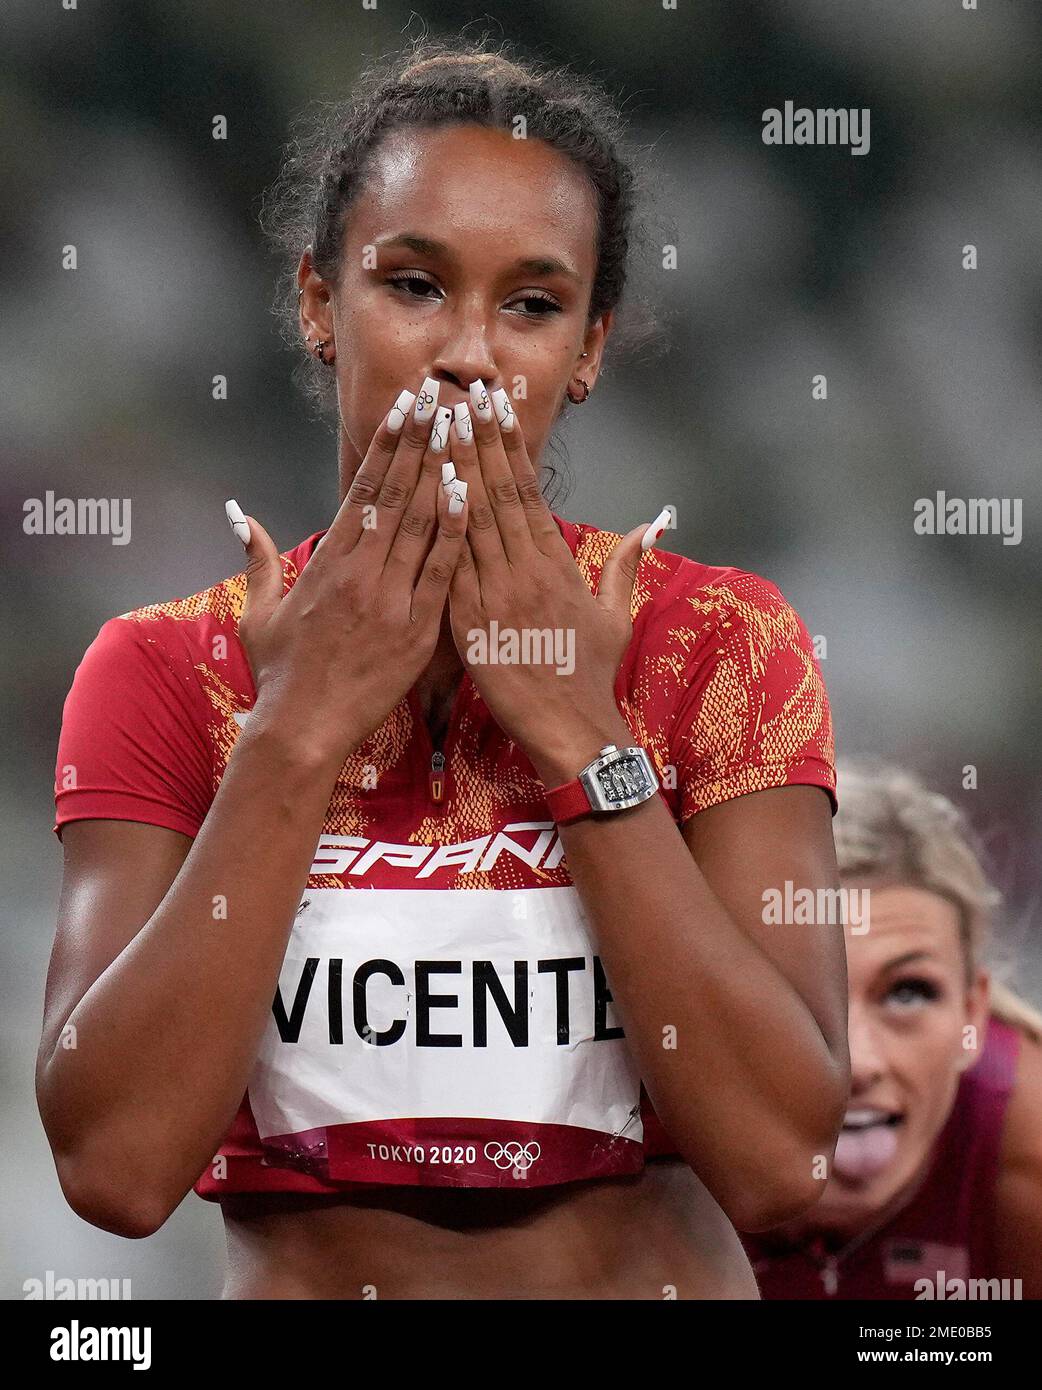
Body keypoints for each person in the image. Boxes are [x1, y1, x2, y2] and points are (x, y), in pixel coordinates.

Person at [39, 37, 848, 1300]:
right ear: (317, 304)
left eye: (532, 305)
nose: (469, 353)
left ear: (588, 350)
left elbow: (783, 1161)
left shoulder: (721, 645)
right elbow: (115, 1166)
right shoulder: (161, 667)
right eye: (412, 285)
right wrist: (298, 730)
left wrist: (583, 737)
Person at [743, 763, 1042, 1300]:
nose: (857, 1064)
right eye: (797, 995)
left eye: (908, 993)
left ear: (973, 1013)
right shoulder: (631, 1135)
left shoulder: (1027, 1147)